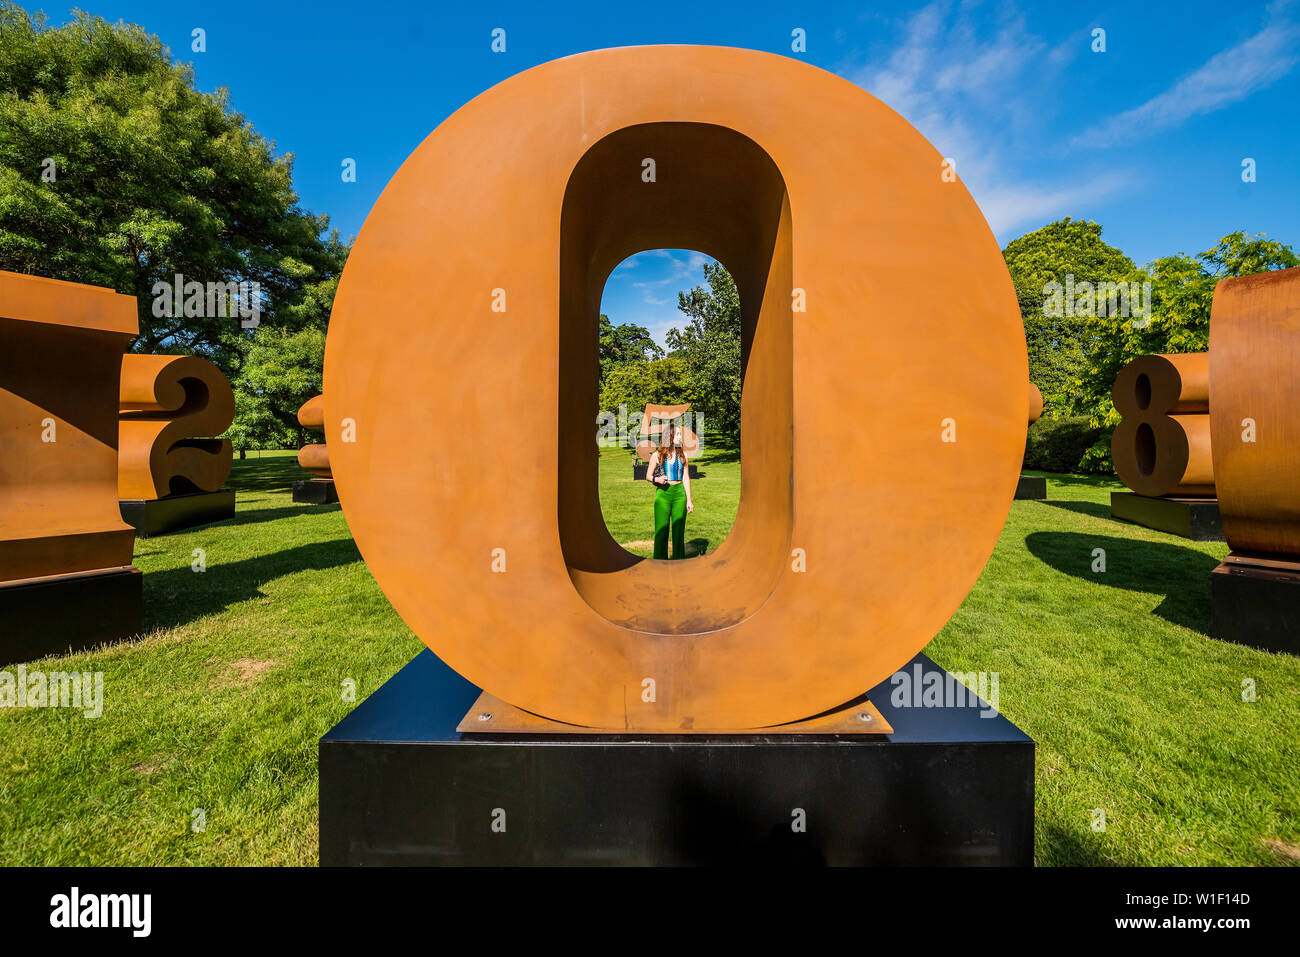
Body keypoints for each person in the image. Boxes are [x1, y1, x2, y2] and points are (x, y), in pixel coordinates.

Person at [646, 421, 693, 560]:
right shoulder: (657, 455)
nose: (680, 437)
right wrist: (657, 480)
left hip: (680, 494)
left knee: (678, 530)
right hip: (663, 494)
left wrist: (689, 500)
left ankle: (679, 560)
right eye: (677, 434)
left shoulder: (683, 454)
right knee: (662, 529)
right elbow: (648, 476)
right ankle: (659, 561)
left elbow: (686, 478)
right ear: (670, 437)